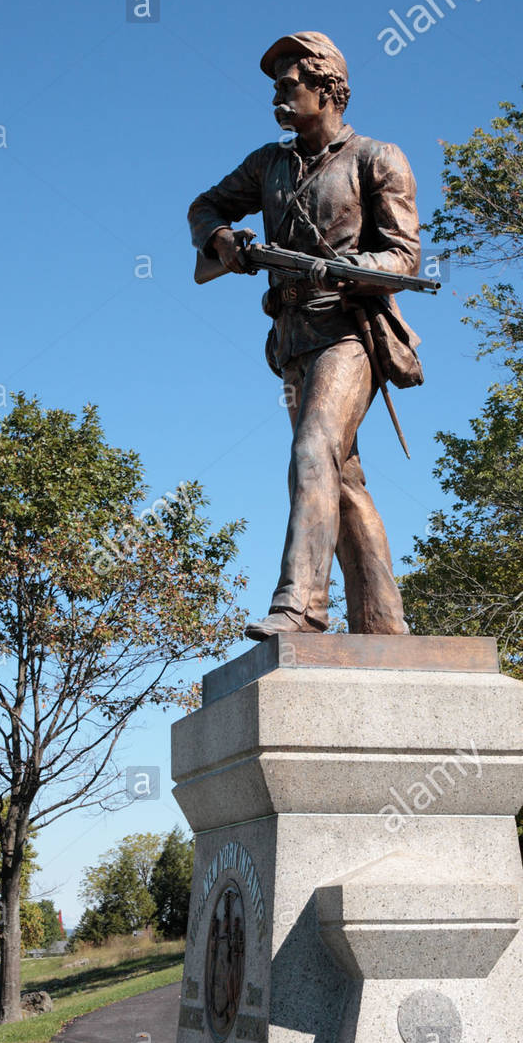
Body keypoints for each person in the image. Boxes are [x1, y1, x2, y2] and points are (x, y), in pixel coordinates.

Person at [188, 32, 422, 639]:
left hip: (348, 333)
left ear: (328, 88)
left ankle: (301, 606)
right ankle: (383, 624)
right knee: (339, 479)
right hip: (290, 339)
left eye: (289, 87)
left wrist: (348, 271)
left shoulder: (378, 158)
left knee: (313, 449)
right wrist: (224, 242)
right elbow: (205, 207)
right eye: (276, 89)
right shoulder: (268, 164)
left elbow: (404, 259)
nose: (278, 99)